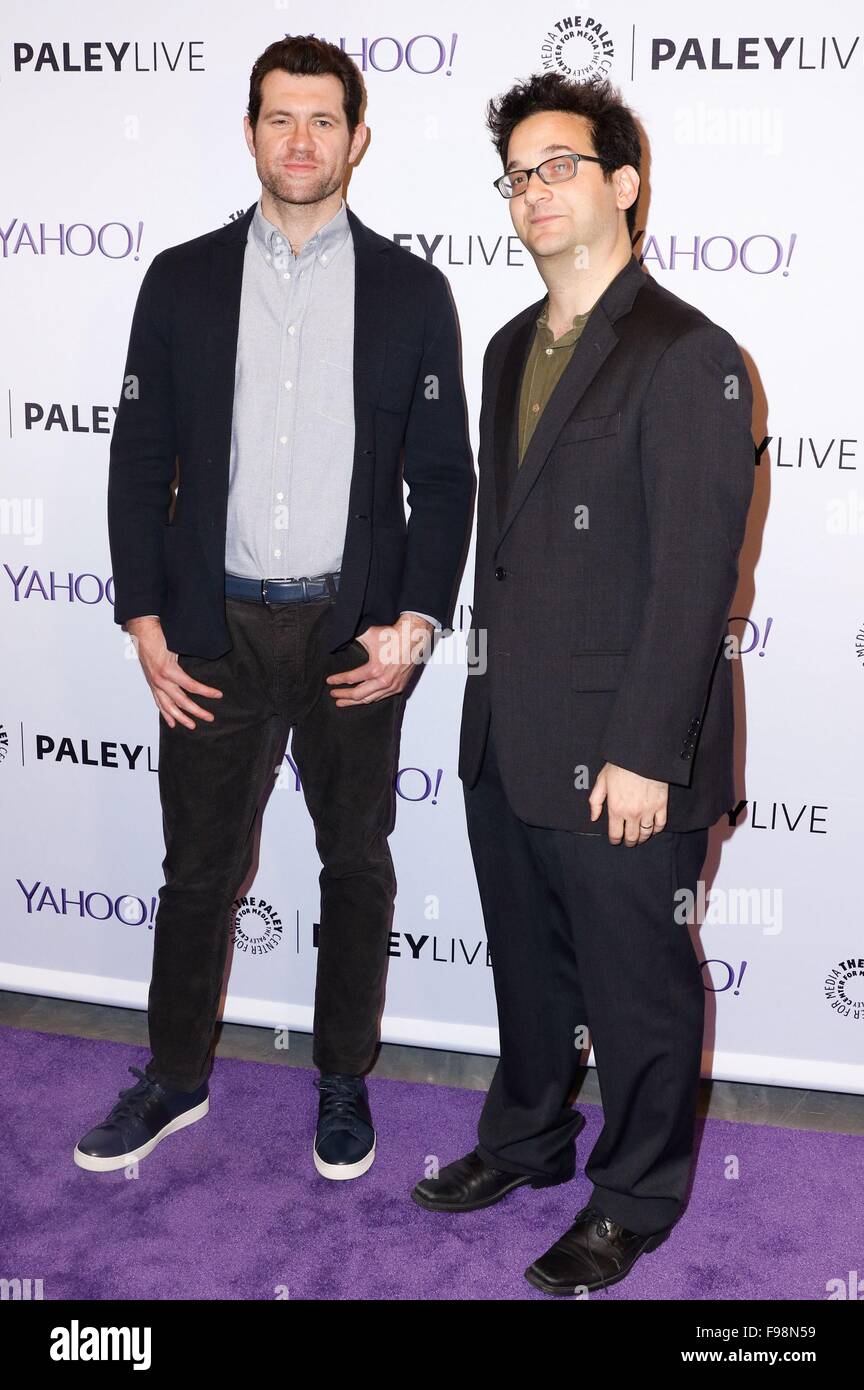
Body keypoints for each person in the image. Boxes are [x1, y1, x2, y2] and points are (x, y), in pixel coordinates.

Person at [76, 35, 473, 1182]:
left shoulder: (410, 290)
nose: (300, 140)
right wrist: (144, 623)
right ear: (249, 131)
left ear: (356, 137)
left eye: (322, 120)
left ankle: (342, 1077)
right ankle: (174, 1073)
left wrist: (411, 623)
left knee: (356, 861)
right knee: (197, 869)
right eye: (278, 118)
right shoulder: (182, 279)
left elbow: (441, 480)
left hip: (350, 631)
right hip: (212, 630)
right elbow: (137, 456)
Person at [411, 72, 755, 1296]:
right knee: (527, 969)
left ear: (623, 183)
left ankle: (634, 1197)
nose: (533, 191)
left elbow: (690, 575)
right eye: (516, 174)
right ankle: (524, 1138)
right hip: (508, 730)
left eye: (559, 165)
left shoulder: (689, 354)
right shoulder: (507, 344)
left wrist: (645, 752)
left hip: (623, 752)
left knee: (634, 988)